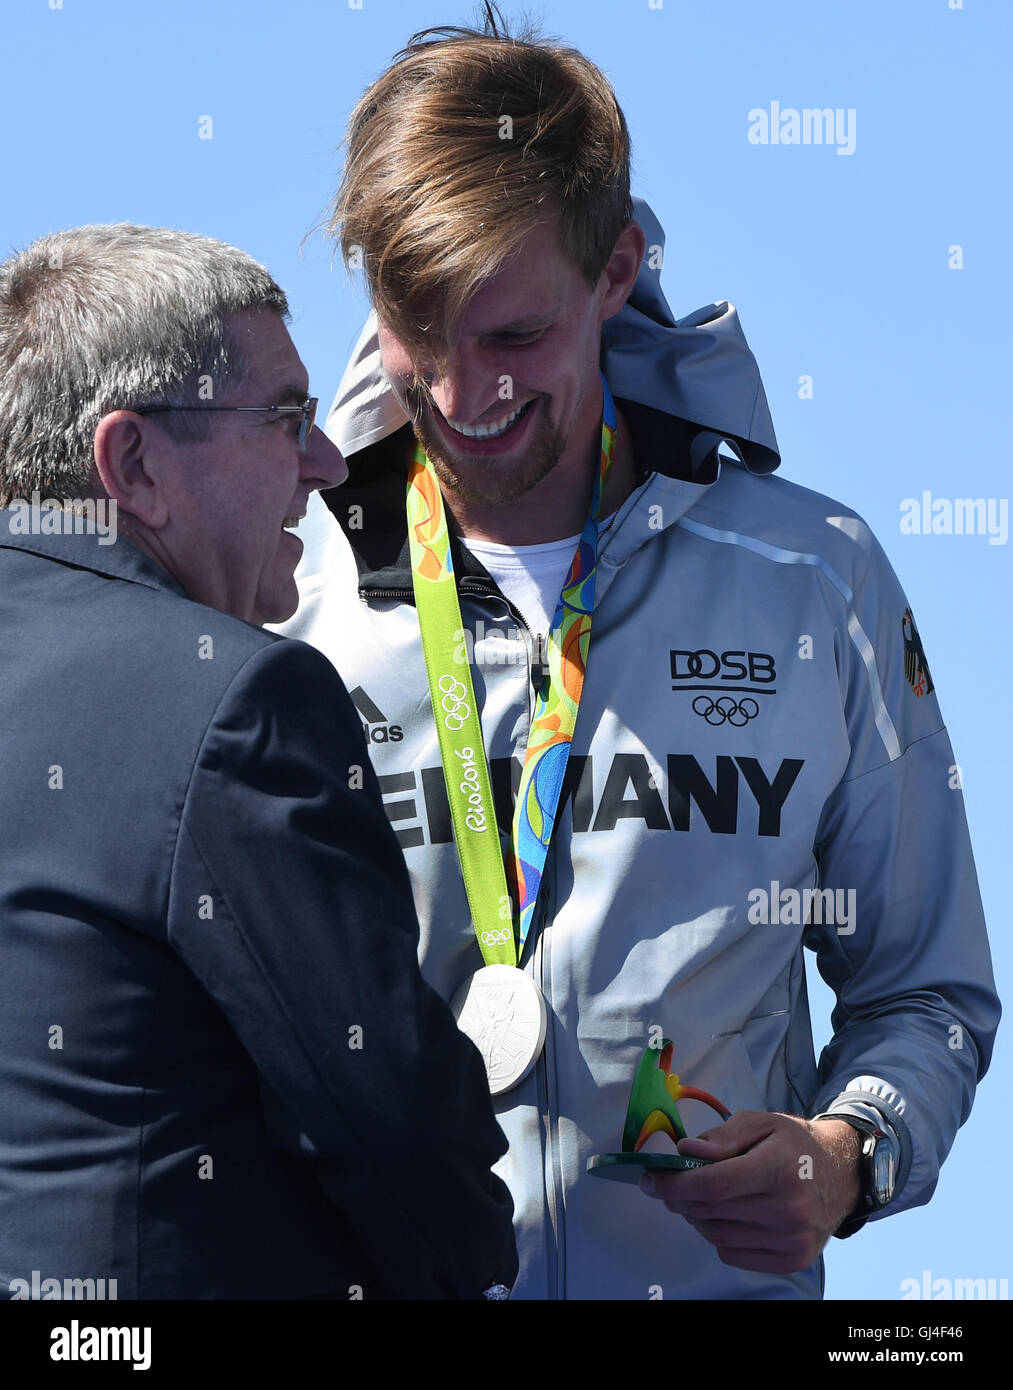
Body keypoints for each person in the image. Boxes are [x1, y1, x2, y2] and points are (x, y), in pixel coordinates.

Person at [279, 14, 1000, 1299]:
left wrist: (847, 1156)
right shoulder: (284, 589)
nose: (458, 397)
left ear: (616, 271)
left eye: (511, 338)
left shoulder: (814, 574)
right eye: (418, 332)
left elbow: (928, 992)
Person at [0, 223, 517, 1300]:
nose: (327, 464)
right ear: (132, 462)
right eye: (284, 418)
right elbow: (389, 1117)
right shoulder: (233, 697)